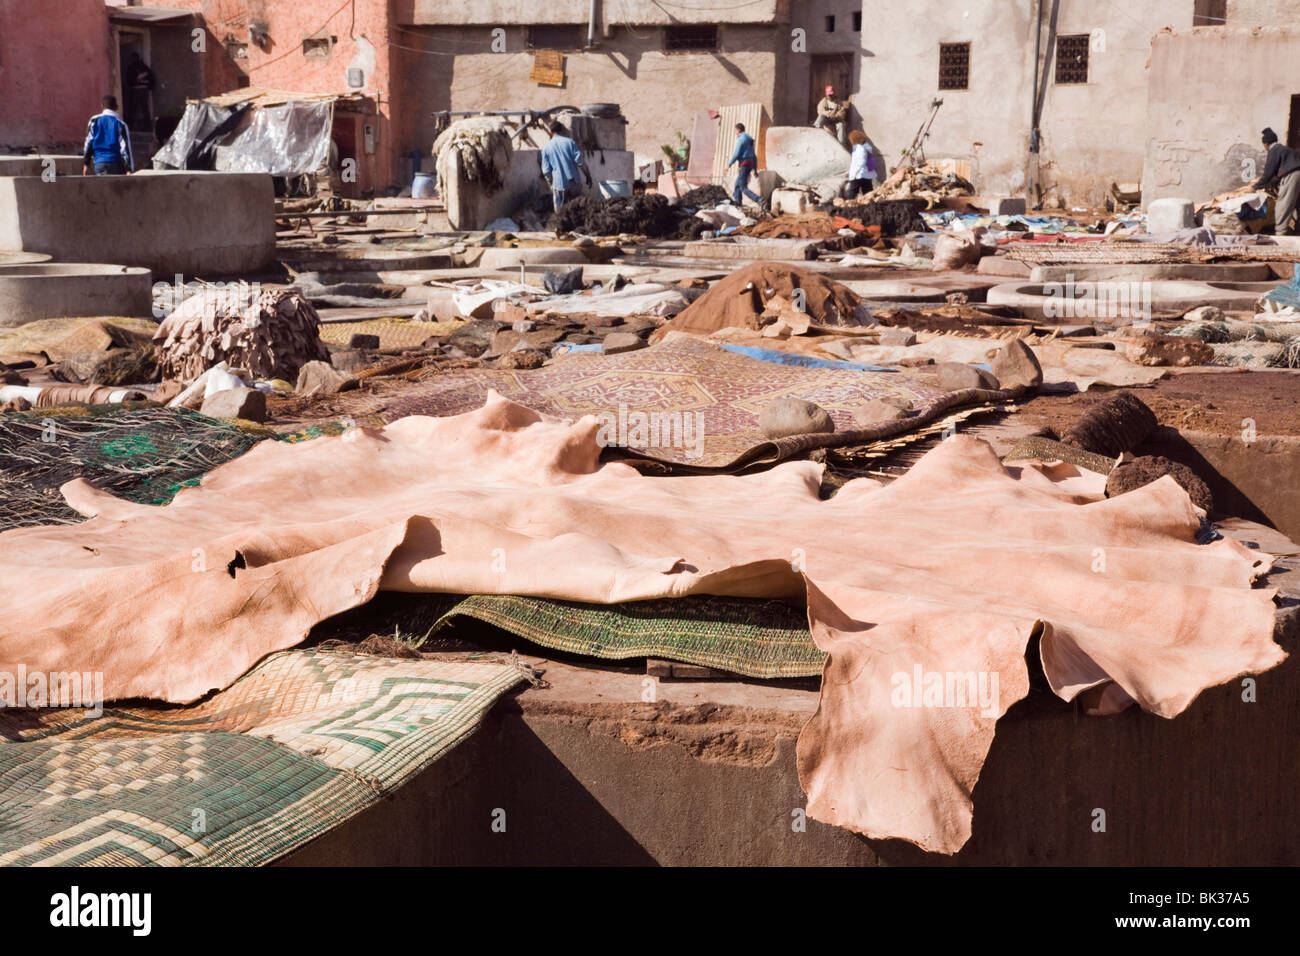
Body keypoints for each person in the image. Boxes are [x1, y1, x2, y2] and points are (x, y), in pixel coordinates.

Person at [1250, 127, 1300, 235]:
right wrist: (1269, 184)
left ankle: (1280, 232)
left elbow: (1268, 173)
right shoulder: (1285, 149)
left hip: (1292, 176)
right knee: (1296, 204)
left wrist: (1255, 187)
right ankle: (1297, 231)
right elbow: (1277, 175)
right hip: (1297, 175)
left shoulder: (1274, 150)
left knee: (1283, 204)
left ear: (1266, 144)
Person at [540, 121, 591, 212]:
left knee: (560, 215)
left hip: (558, 184)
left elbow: (546, 171)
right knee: (578, 211)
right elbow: (580, 161)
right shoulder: (570, 142)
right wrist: (588, 175)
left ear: (551, 132)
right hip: (573, 183)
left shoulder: (546, 148)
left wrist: (551, 184)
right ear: (562, 130)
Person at [82, 95, 133, 176]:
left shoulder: (94, 121)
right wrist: (129, 169)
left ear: (102, 106)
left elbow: (89, 143)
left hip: (99, 164)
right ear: (116, 107)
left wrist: (86, 164)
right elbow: (125, 148)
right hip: (116, 165)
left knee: (100, 188)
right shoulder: (121, 124)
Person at [727, 122, 763, 208]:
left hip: (744, 164)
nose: (735, 132)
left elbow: (736, 154)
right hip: (750, 164)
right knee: (737, 185)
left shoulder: (741, 139)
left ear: (738, 130)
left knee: (742, 187)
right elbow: (754, 155)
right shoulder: (749, 139)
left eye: (735, 130)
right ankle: (738, 204)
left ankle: (759, 199)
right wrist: (755, 169)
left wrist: (728, 165)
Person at [124, 52, 155, 133]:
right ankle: (147, 128)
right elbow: (151, 79)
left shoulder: (132, 68)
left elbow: (129, 81)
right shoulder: (145, 67)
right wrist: (147, 85)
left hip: (136, 90)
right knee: (144, 109)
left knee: (134, 109)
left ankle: (132, 128)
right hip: (143, 90)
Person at [845, 130, 874, 199]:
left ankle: (849, 207)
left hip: (859, 174)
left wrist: (855, 173)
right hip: (866, 174)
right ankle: (872, 205)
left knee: (852, 193)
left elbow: (861, 162)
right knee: (868, 192)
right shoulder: (865, 148)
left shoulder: (860, 148)